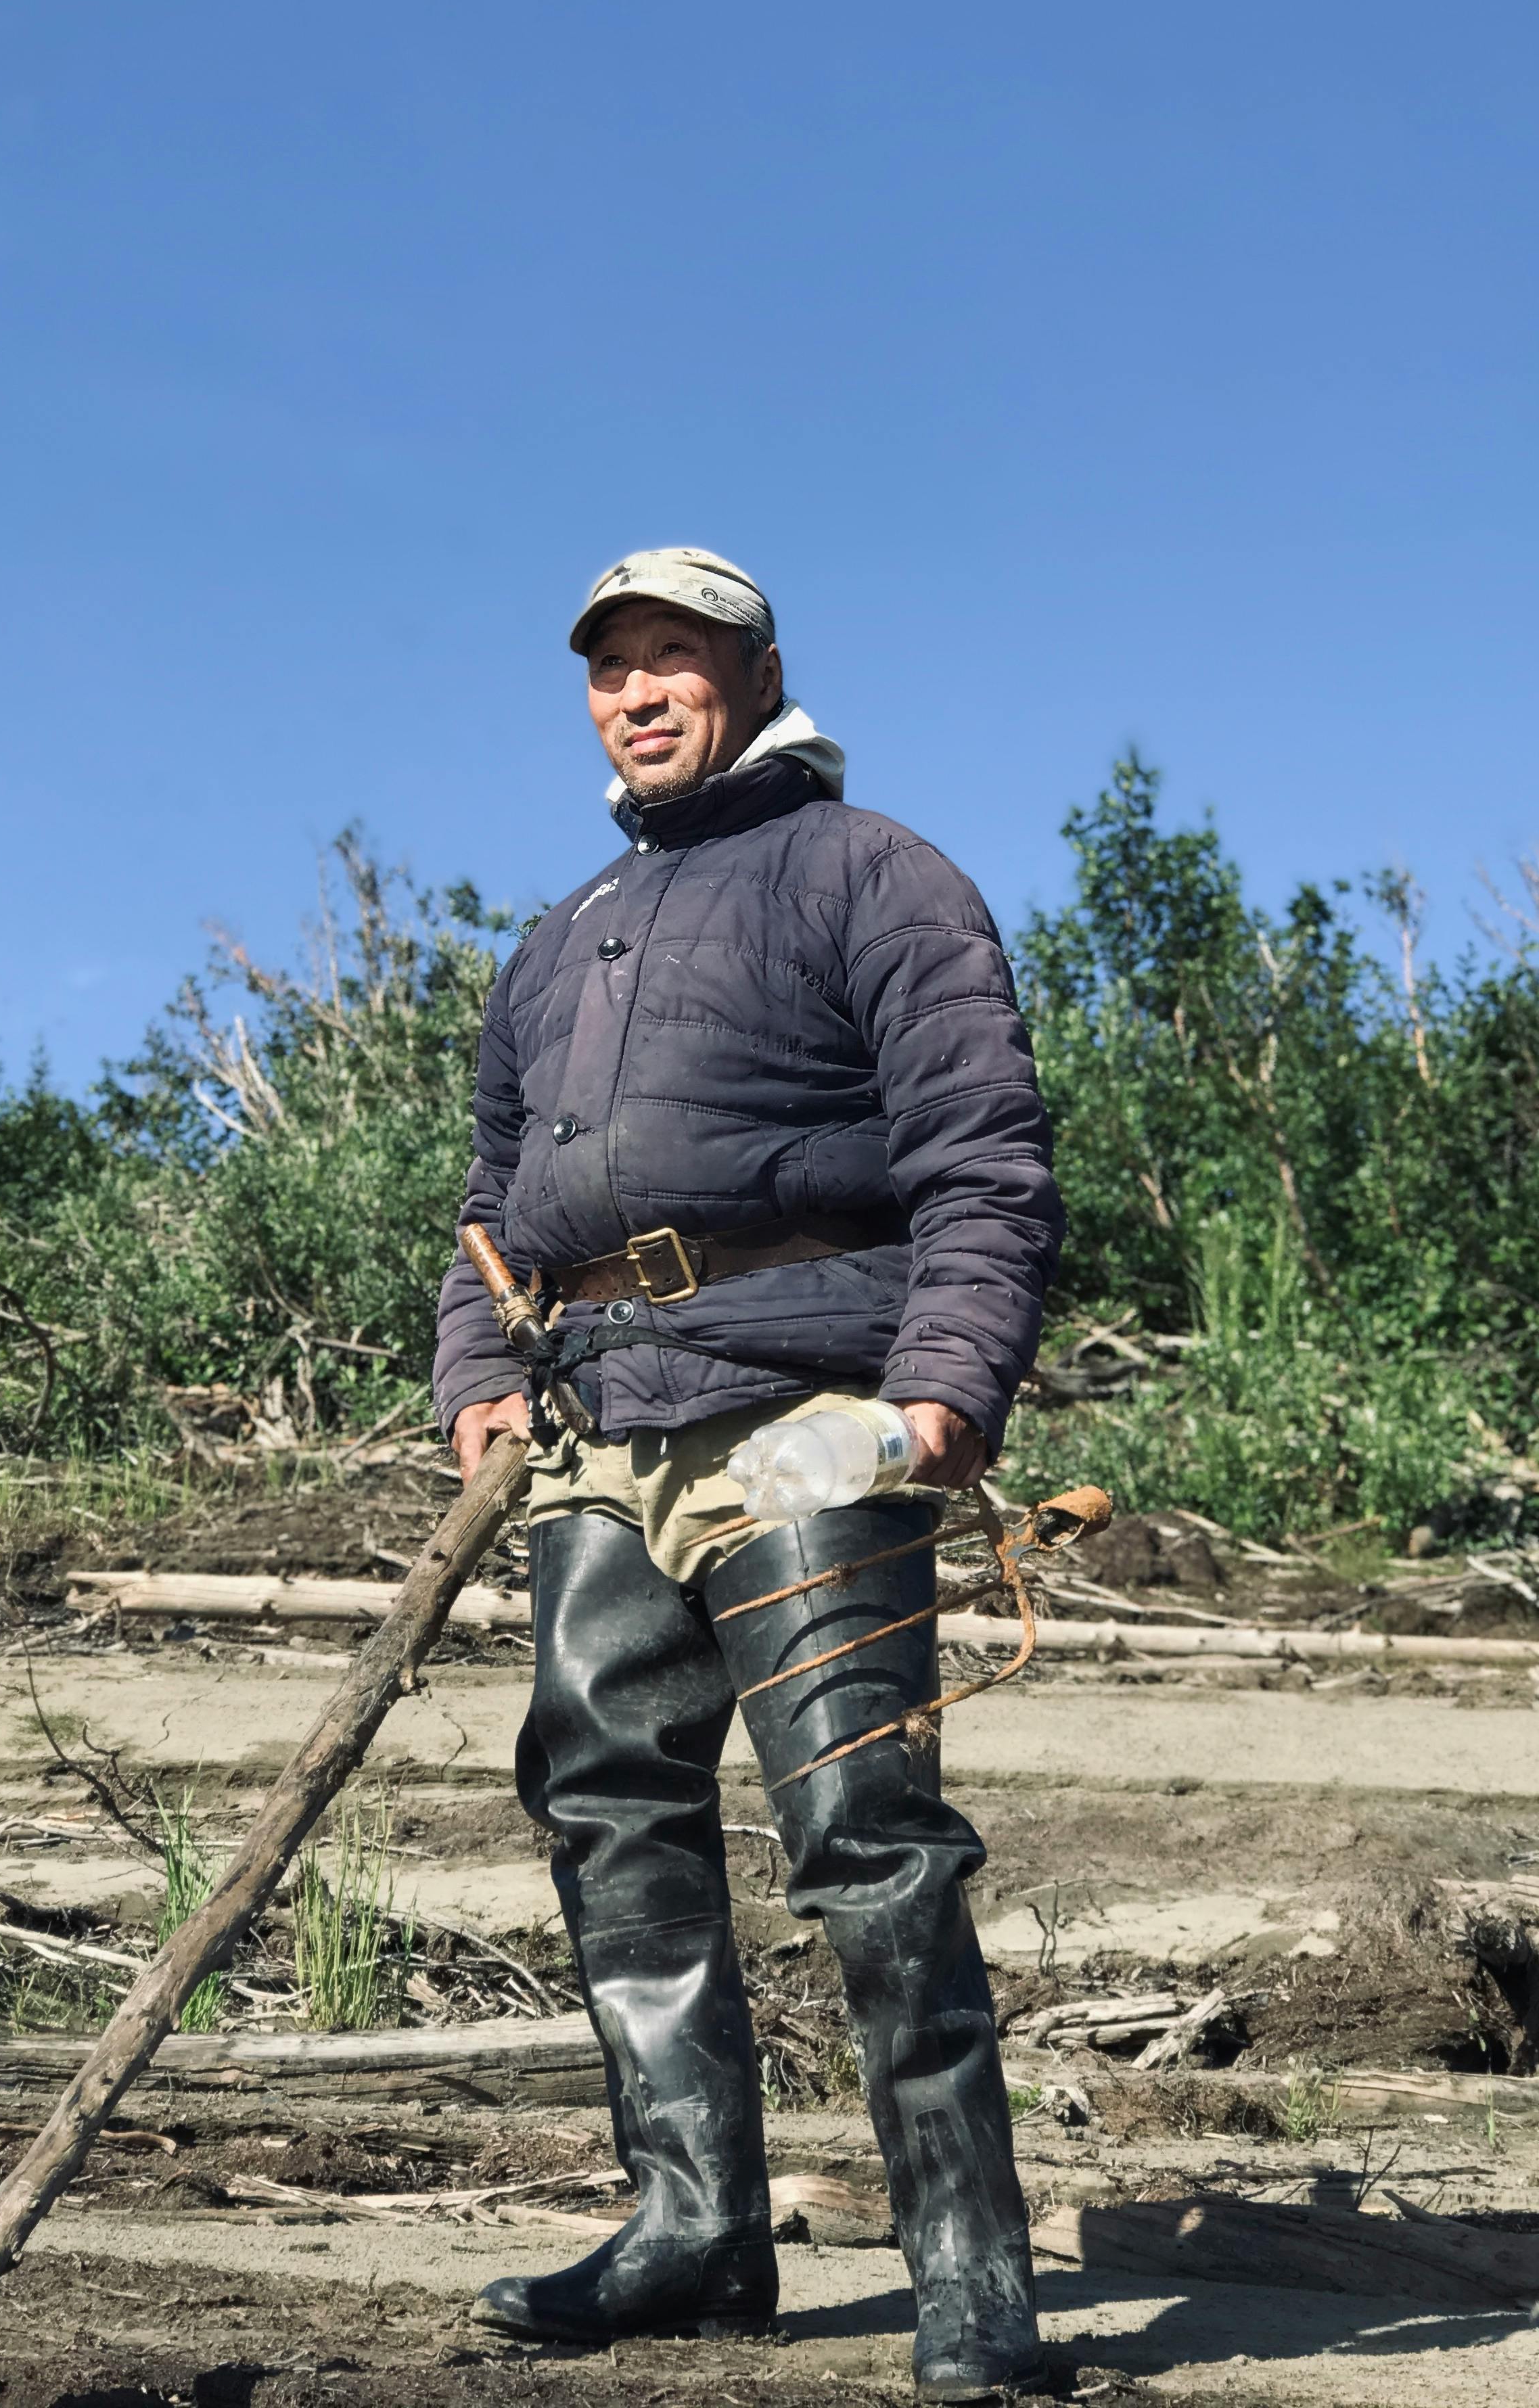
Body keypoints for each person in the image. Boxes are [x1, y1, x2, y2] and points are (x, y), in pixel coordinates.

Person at [434, 547, 1063, 2401]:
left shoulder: (880, 876)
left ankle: (969, 2270)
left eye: (674, 661)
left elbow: (987, 1160)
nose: (638, 693)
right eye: (610, 667)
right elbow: (490, 1213)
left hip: (812, 1411)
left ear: (757, 671)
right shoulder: (557, 941)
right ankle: (696, 2233)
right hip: (595, 1431)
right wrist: (479, 1378)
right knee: (611, 1813)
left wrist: (949, 1380)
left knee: (865, 1838)